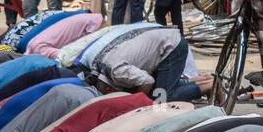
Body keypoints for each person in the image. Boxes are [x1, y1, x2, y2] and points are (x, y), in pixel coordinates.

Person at [82, 22, 211, 102]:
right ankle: (201, 80)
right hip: (161, 39)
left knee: (162, 98)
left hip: (171, 46)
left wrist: (137, 103)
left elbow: (148, 81)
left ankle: (210, 86)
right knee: (157, 89)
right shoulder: (99, 65)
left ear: (107, 87)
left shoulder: (117, 72)